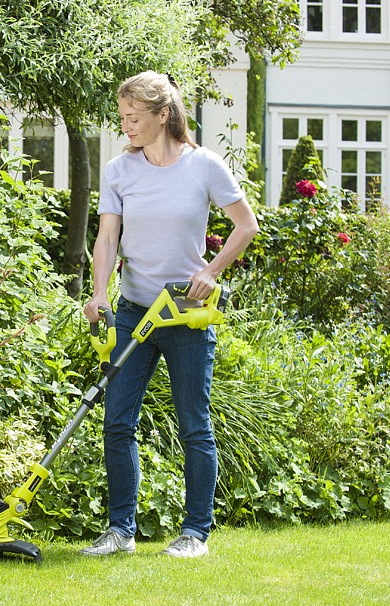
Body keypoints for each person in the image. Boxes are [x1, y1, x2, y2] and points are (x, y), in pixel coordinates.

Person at [79, 71, 258, 558]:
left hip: (184, 313)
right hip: (136, 310)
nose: (127, 127)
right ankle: (121, 531)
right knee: (117, 422)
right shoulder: (120, 170)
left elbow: (247, 225)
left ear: (163, 115)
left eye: (135, 118)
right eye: (123, 118)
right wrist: (99, 293)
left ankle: (195, 533)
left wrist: (214, 271)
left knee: (193, 425)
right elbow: (107, 238)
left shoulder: (204, 166)